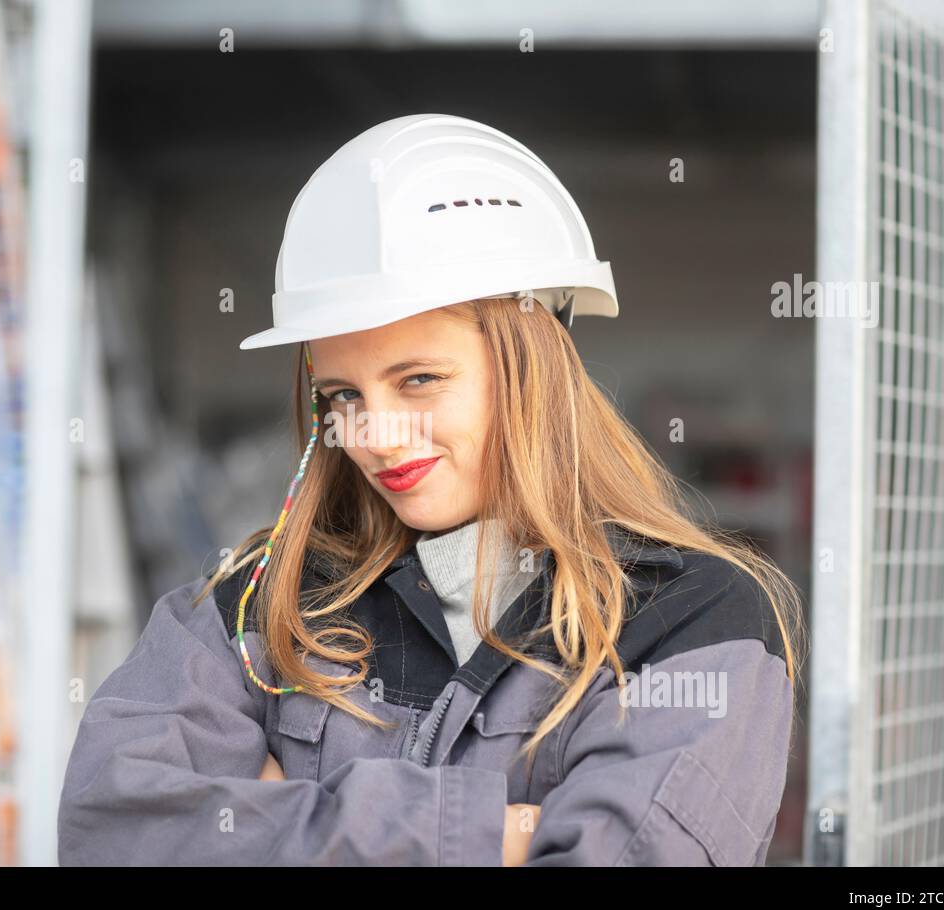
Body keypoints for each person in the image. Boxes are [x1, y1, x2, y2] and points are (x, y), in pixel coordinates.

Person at [57, 114, 802, 866]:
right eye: (343, 393)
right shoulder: (260, 603)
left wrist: (276, 809)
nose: (375, 434)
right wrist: (494, 835)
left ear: (531, 364)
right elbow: (115, 827)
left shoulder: (694, 617)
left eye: (419, 380)